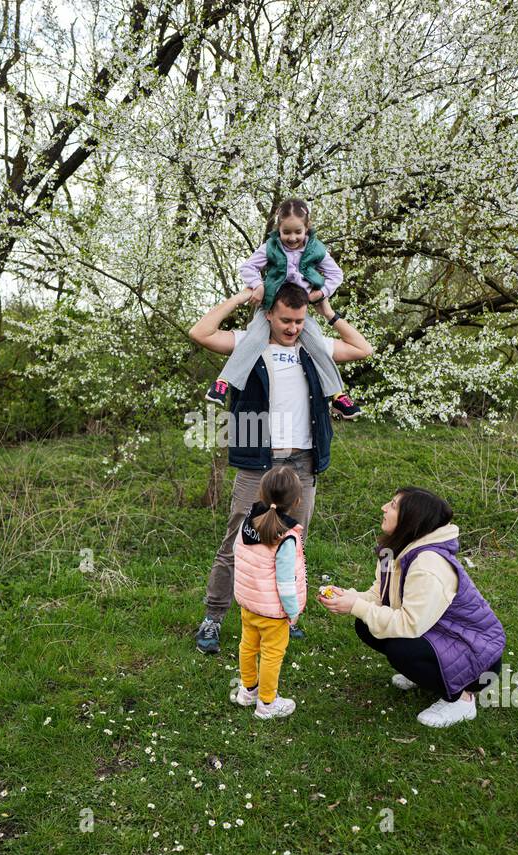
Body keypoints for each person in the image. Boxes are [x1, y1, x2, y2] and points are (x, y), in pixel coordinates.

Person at [187, 281, 374, 654]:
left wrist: (327, 313)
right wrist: (244, 297)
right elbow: (200, 332)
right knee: (237, 541)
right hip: (259, 458)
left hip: (302, 460)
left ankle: (284, 617)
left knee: (293, 541)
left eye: (299, 320)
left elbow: (362, 348)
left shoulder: (312, 347)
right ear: (269, 314)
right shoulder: (249, 345)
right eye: (286, 320)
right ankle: (213, 617)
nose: (292, 328)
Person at [319, 487, 506, 728]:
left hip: (477, 659)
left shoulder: (428, 565)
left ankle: (463, 698)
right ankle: (430, 675)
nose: (384, 508)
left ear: (411, 519)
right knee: (365, 625)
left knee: (401, 649)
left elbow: (409, 624)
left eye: (393, 505)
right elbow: (380, 594)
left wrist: (356, 605)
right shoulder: (393, 550)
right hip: (440, 633)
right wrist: (350, 598)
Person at [204, 198, 362, 420]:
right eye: (286, 232)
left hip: (300, 310)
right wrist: (258, 286)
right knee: (253, 339)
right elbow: (248, 267)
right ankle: (223, 382)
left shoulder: (317, 250)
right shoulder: (270, 247)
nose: (292, 238)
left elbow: (337, 275)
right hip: (270, 306)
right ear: (278, 228)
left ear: (307, 228)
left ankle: (337, 395)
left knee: (317, 344)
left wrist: (321, 293)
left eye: (298, 232)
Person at [230, 466, 306, 719]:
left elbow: (238, 554)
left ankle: (247, 691)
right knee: (272, 655)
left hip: (248, 604)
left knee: (248, 646)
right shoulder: (286, 536)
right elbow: (285, 582)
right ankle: (267, 703)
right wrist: (292, 612)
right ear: (296, 501)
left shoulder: (247, 521)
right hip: (273, 612)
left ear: (261, 493)